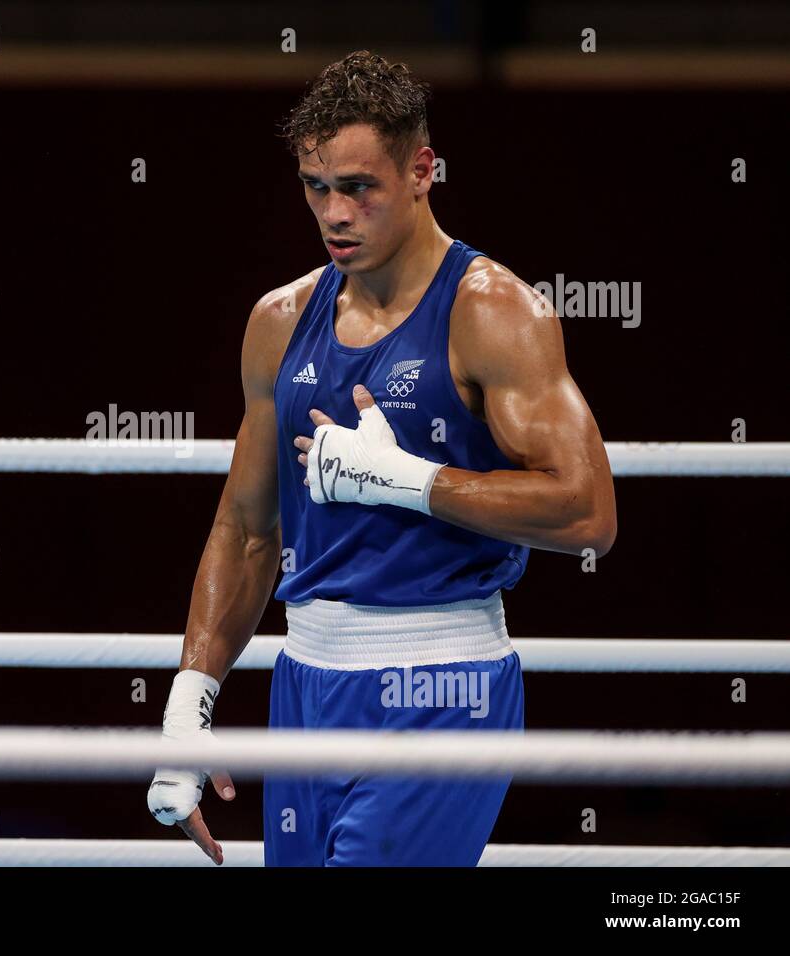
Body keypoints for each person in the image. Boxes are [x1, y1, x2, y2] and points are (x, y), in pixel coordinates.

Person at [146, 50, 616, 866]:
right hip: (307, 685)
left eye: (359, 187)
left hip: (443, 686)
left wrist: (413, 483)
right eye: (315, 187)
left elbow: (588, 514)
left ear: (422, 170)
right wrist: (191, 700)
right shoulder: (280, 320)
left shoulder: (495, 314)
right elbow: (249, 529)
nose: (335, 212)